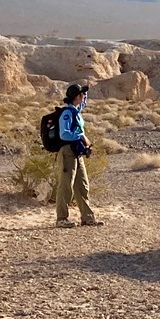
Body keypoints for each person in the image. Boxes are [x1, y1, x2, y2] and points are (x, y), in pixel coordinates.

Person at [56, 83, 103, 228]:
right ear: (77, 96)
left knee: (82, 185)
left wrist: (85, 92)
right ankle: (61, 219)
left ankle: (87, 218)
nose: (84, 97)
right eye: (82, 94)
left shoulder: (75, 111)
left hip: (77, 153)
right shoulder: (67, 113)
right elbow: (64, 134)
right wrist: (81, 136)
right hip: (68, 152)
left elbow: (83, 104)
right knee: (66, 186)